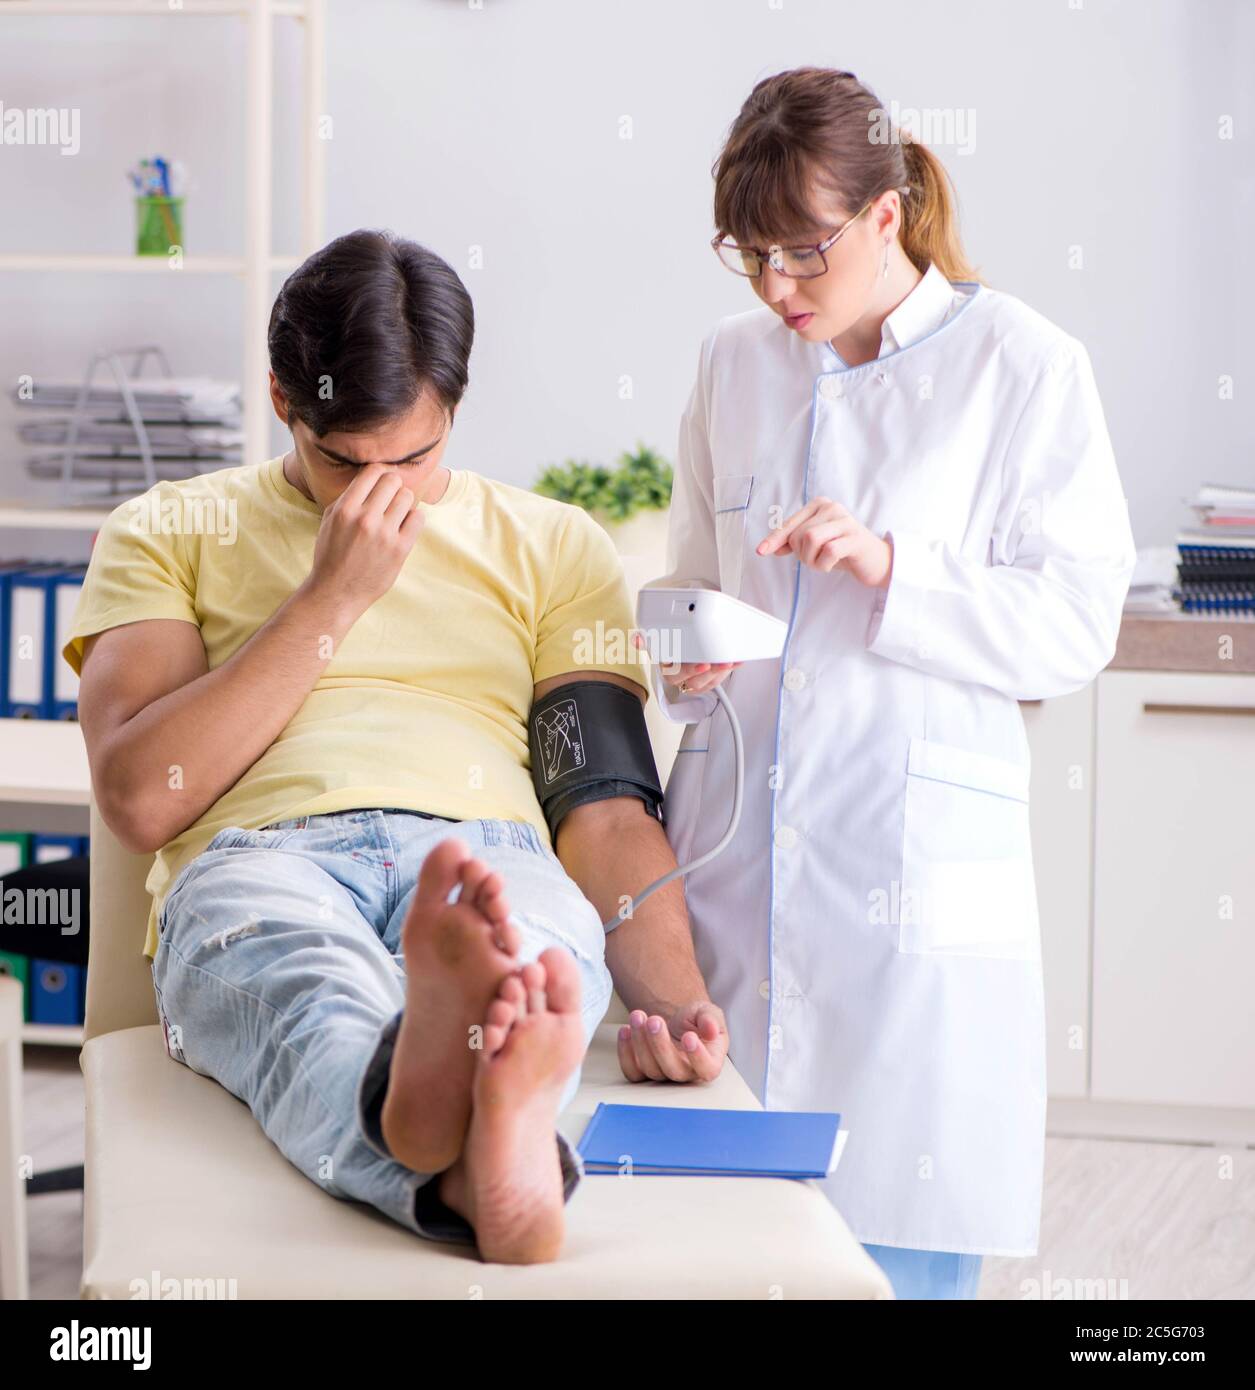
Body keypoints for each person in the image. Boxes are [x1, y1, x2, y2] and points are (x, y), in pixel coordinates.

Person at [66, 230, 727, 1265]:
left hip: (486, 853)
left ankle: (442, 1111)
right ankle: (478, 1149)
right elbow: (144, 797)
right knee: (306, 982)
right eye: (344, 462)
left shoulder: (555, 544)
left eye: (413, 459)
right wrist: (332, 596)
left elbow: (601, 807)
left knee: (536, 955)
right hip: (259, 857)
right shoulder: (169, 525)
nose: (380, 495)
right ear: (285, 399)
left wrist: (680, 1008)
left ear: (453, 408)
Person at [650, 68, 1135, 1299]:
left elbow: (1077, 622)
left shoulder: (1022, 366)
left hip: (909, 884)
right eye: (748, 253)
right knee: (708, 1250)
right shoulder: (732, 363)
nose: (775, 287)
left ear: (886, 213)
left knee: (890, 1251)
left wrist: (892, 570)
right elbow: (689, 577)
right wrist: (684, 648)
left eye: (803, 252)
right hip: (734, 855)